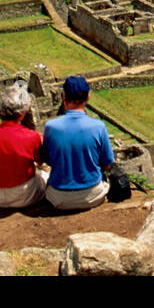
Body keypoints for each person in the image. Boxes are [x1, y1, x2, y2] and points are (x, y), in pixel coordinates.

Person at [43, 75, 115, 210]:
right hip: (91, 196)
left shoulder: (50, 127)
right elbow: (107, 164)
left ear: (64, 97)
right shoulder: (98, 126)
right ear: (88, 96)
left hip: (58, 197)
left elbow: (48, 160)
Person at [0, 84, 47, 209]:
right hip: (24, 195)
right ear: (22, 113)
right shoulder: (31, 136)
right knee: (45, 174)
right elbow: (40, 161)